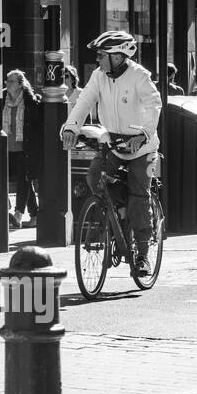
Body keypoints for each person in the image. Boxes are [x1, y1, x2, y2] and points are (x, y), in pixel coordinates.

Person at [61, 30, 162, 277]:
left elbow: (153, 105)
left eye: (101, 55)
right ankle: (118, 215)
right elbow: (83, 102)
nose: (98, 59)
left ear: (118, 57)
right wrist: (71, 128)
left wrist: (144, 135)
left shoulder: (139, 77)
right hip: (114, 142)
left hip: (142, 146)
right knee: (94, 177)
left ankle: (141, 254)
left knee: (139, 196)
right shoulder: (99, 76)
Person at [5, 69, 42, 230]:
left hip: (25, 148)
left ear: (20, 85)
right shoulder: (2, 99)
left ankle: (18, 214)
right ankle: (35, 215)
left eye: (11, 81)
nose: (7, 83)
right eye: (7, 80)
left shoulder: (31, 102)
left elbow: (36, 128)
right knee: (23, 182)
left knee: (23, 181)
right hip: (7, 147)